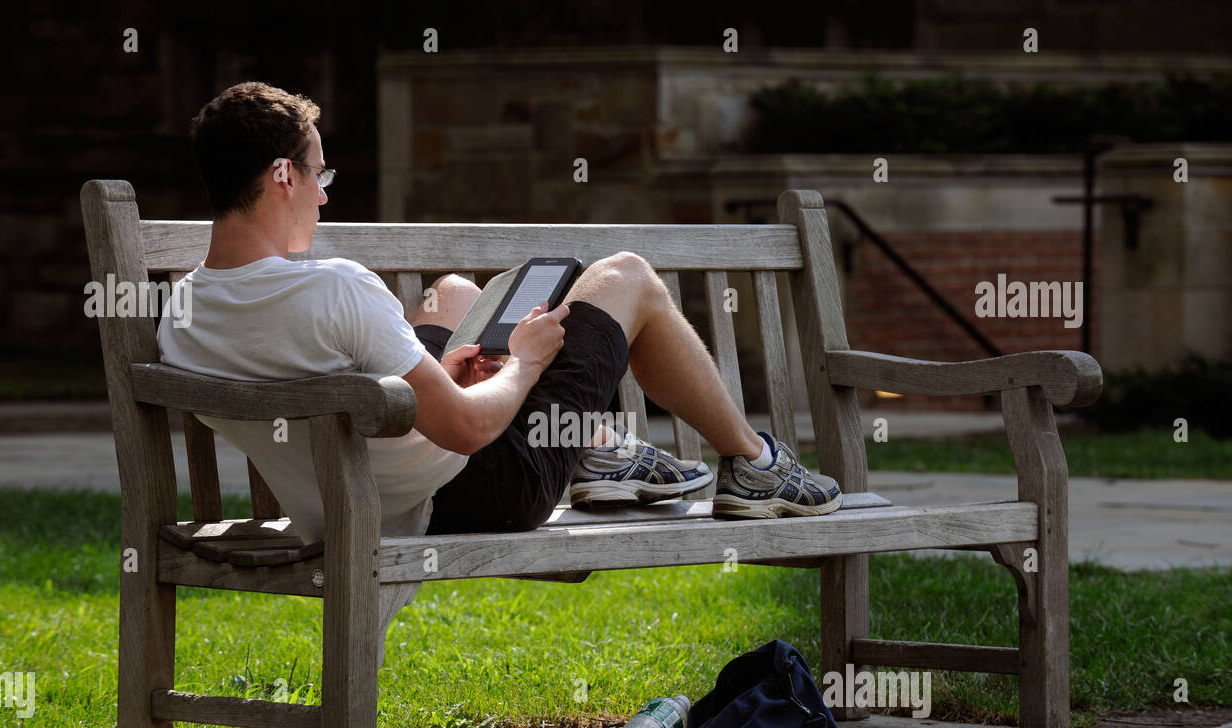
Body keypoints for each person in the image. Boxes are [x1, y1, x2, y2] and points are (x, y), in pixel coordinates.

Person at [158, 81, 841, 543]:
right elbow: (463, 427)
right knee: (625, 276)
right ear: (283, 176)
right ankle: (753, 463)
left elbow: (357, 401)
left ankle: (595, 452)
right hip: (481, 489)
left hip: (355, 494)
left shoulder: (181, 312)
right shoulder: (337, 288)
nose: (324, 197)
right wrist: (524, 363)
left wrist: (447, 376)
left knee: (453, 294)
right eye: (320, 175)